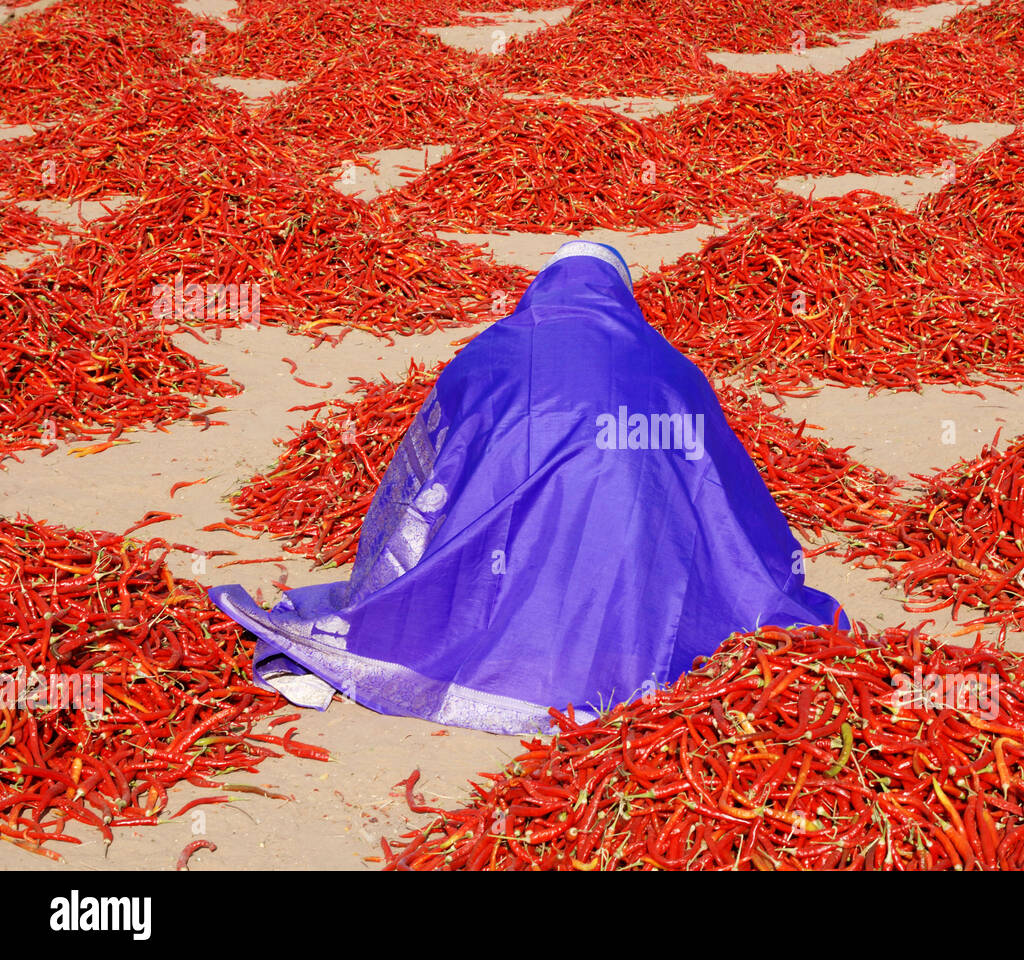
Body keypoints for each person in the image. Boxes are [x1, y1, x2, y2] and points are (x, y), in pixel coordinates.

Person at [210, 241, 845, 734]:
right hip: (639, 553)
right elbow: (724, 485)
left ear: (541, 289)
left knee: (493, 527)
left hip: (513, 539)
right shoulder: (667, 363)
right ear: (622, 297)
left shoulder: (497, 348)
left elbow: (439, 453)